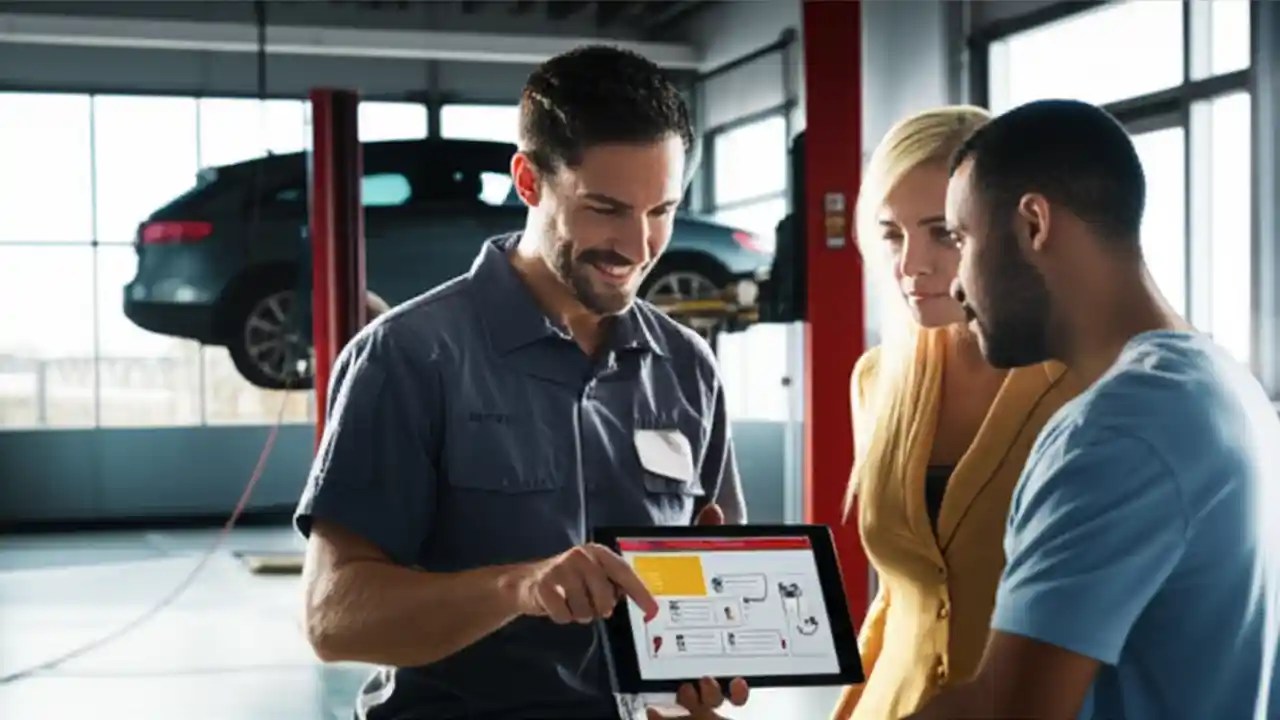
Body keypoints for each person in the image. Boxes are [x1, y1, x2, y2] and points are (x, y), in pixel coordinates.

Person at [295, 44, 747, 720]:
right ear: (529, 181)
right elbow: (334, 620)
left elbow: (718, 594)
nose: (638, 245)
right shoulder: (410, 358)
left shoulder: (685, 365)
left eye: (661, 211)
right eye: (605, 208)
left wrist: (711, 664)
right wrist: (519, 588)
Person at [648, 106, 1084, 720]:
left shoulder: (1082, 387)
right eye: (891, 234)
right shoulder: (878, 380)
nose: (911, 265)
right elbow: (898, 600)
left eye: (944, 234)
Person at [898, 99, 1280, 718]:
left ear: (1033, 224)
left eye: (960, 238)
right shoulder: (1226, 387)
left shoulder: (1116, 431)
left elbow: (1006, 713)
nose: (958, 282)